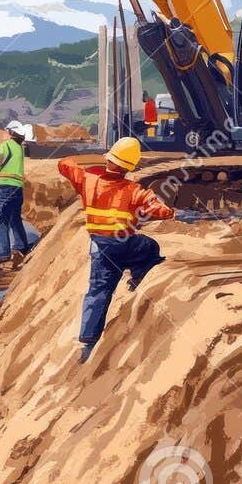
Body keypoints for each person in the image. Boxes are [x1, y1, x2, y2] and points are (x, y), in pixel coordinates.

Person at [58, 137, 179, 364]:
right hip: (124, 245)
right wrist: (170, 212)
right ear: (129, 167)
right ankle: (138, 277)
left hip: (100, 248)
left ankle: (87, 342)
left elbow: (64, 164)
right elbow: (156, 208)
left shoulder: (88, 180)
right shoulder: (132, 189)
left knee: (98, 291)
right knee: (150, 247)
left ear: (110, 158)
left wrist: (91, 161)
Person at [0, 120, 33, 265]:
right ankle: (22, 246)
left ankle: (4, 253)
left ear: (11, 132)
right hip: (17, 188)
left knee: (3, 221)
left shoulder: (5, 146)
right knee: (15, 218)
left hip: (4, 188)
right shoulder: (19, 149)